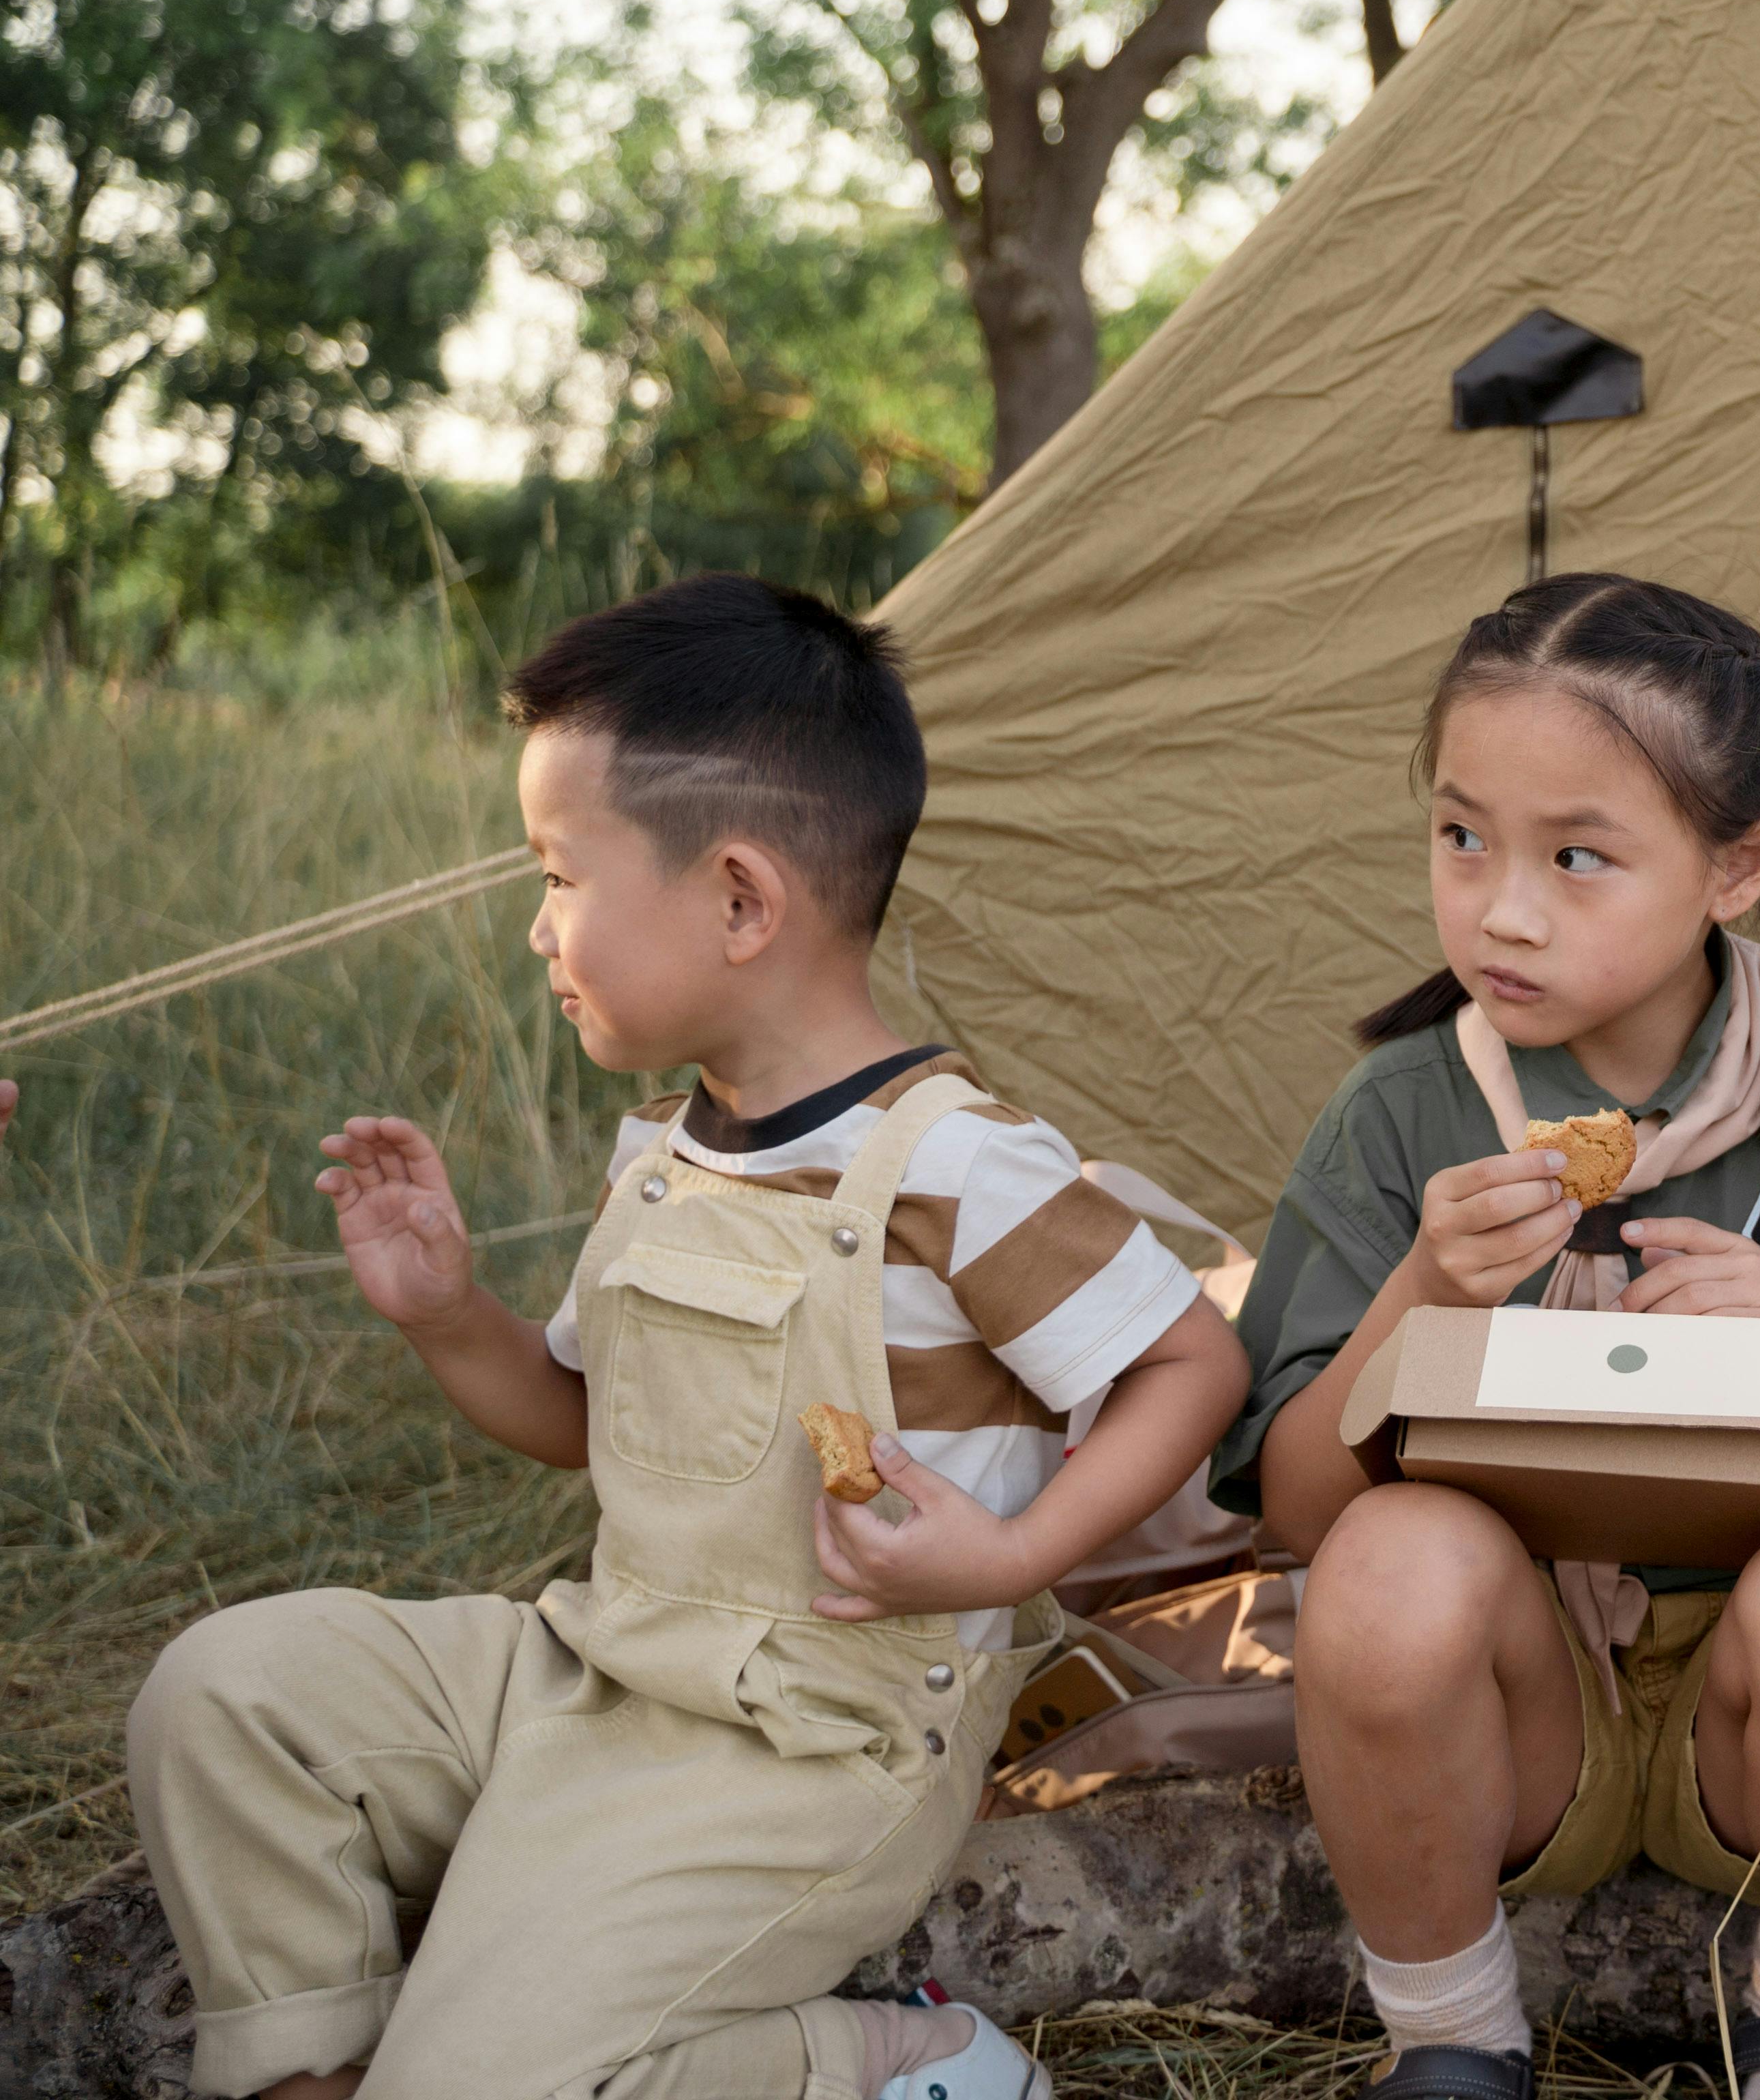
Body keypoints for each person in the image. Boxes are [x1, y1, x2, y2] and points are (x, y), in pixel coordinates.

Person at [125, 573, 1249, 2100]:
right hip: (600, 1662)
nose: (537, 926)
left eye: (558, 873)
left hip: (812, 1745)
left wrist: (1011, 1552)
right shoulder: (663, 1151)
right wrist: (453, 1317)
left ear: (738, 898)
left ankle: (882, 2054)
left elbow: (1193, 1358)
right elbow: (589, 1417)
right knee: (227, 1689)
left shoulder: (962, 1163)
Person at [1220, 566, 1760, 2100]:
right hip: (1523, 1716)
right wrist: (1428, 1301)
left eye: (1579, 855)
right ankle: (1452, 2043)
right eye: (1461, 835)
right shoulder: (1402, 1115)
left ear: (1737, 865)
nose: (1500, 905)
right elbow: (1303, 1514)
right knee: (1396, 1561)